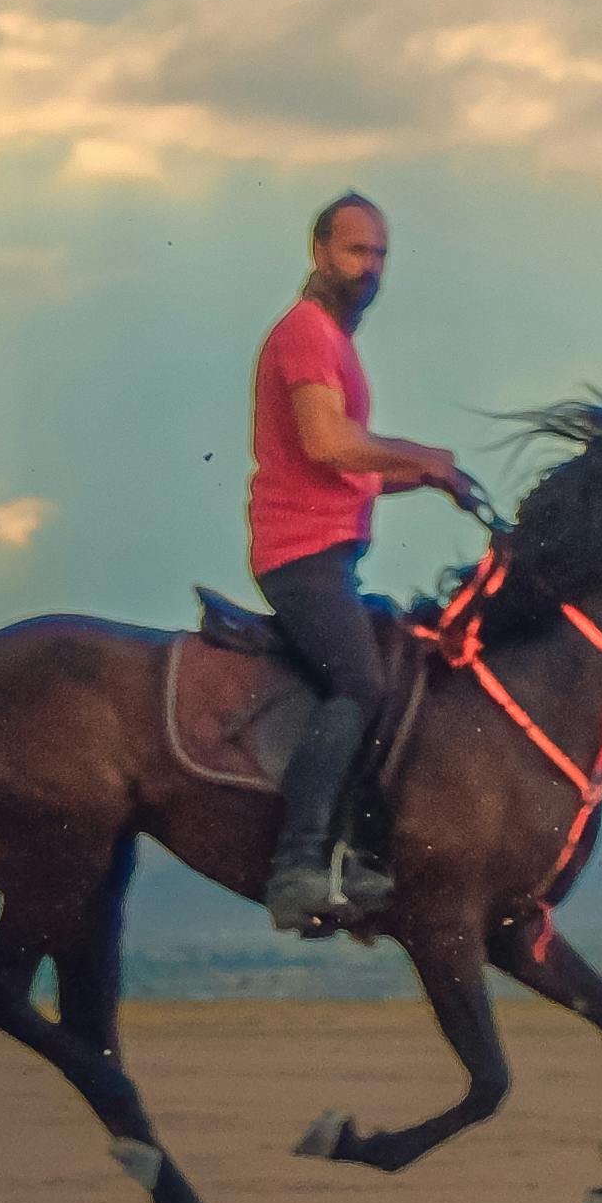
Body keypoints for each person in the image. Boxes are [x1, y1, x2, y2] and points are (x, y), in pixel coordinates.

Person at [243, 190, 476, 926]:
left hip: (333, 553)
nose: (369, 267)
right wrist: (426, 456)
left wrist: (430, 479)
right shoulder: (307, 334)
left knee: (398, 671)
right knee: (357, 683)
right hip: (299, 555)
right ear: (319, 253)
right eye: (355, 251)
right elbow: (327, 444)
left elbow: (354, 470)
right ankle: (297, 868)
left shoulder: (336, 343)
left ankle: (363, 855)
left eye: (379, 254)